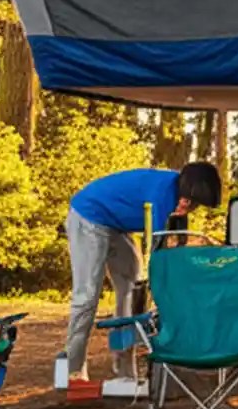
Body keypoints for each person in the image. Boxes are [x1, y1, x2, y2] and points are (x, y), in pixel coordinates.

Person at [63, 163, 222, 382]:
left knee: (133, 288)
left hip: (116, 226)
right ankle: (72, 371)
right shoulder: (163, 194)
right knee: (87, 296)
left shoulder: (179, 195)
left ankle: (125, 372)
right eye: (189, 201)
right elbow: (158, 250)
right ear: (183, 192)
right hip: (89, 216)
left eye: (195, 204)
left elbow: (176, 243)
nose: (190, 206)